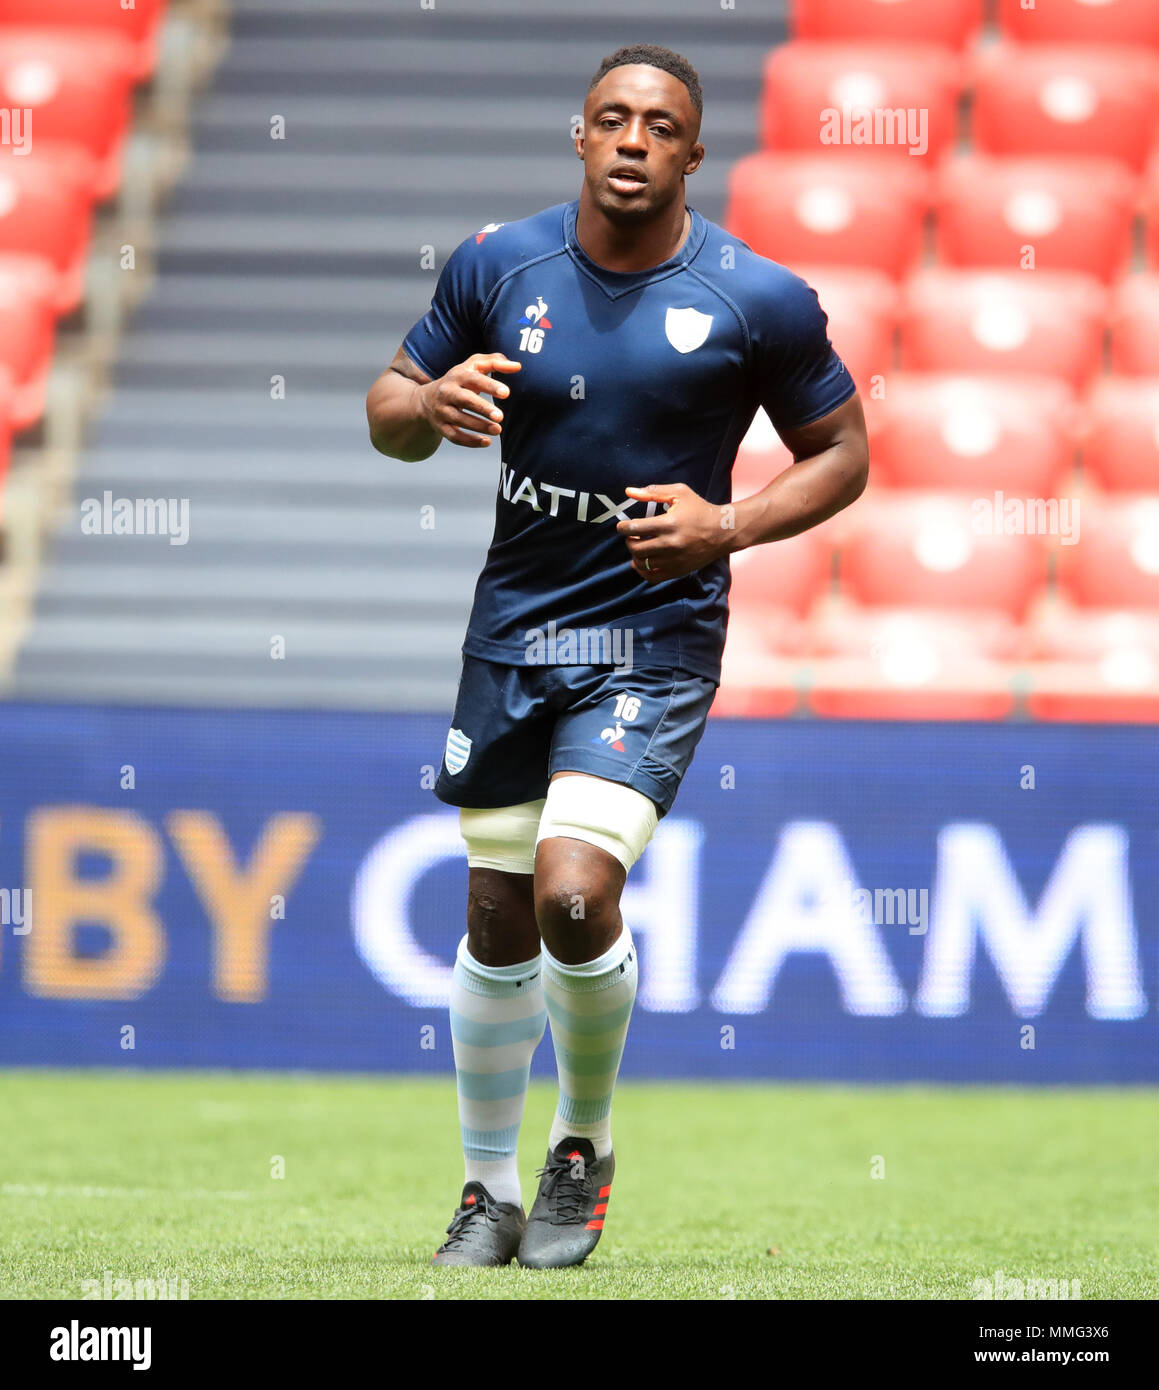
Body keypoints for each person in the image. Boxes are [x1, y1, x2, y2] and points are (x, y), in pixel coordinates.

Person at [365, 42, 868, 1269]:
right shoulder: (497, 264)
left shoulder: (759, 299)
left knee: (574, 892)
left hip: (653, 634)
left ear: (695, 153)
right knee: (495, 919)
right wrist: (425, 413)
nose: (633, 139)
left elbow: (844, 451)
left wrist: (727, 523)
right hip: (514, 632)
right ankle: (486, 1190)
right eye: (612, 119)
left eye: (659, 125)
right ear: (578, 136)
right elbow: (387, 400)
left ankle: (580, 1146)